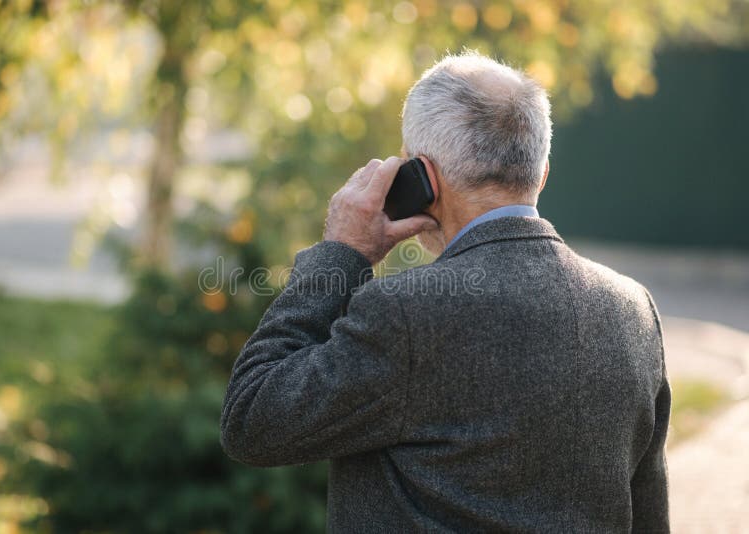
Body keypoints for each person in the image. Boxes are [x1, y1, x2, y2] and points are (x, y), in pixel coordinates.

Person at [220, 52, 670, 532]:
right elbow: (649, 516)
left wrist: (342, 254)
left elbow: (251, 420)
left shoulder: (405, 314)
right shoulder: (633, 309)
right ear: (541, 173)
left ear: (423, 180)